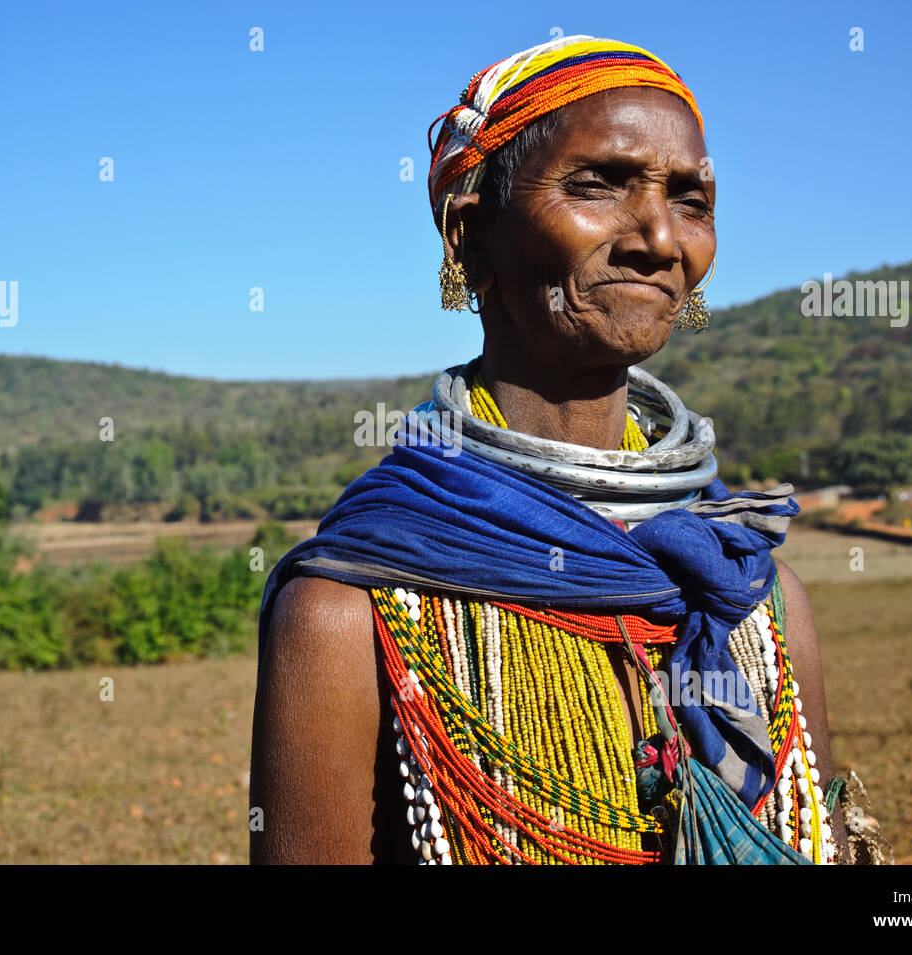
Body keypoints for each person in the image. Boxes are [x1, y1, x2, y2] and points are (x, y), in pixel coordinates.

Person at [250, 35, 858, 864]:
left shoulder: (751, 595)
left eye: (691, 200)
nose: (658, 237)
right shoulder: (350, 612)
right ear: (469, 236)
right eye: (598, 185)